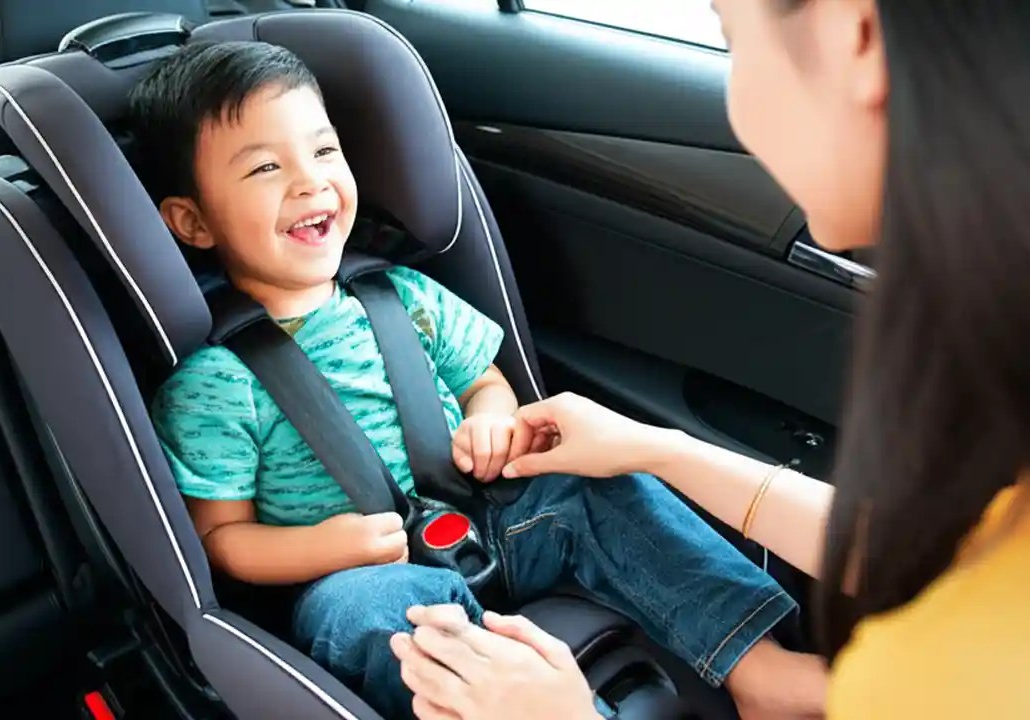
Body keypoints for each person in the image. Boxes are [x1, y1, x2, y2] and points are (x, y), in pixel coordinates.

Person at [390, 0, 1030, 718]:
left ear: (854, 33)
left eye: (732, 42)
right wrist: (661, 451)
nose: (737, 104)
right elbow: (965, 545)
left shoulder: (930, 675)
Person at [127, 41, 827, 720]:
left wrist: (491, 418)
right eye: (264, 170)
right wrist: (327, 547)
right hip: (361, 572)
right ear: (192, 222)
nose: (310, 181)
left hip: (494, 512)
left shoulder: (403, 294)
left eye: (323, 150)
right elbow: (223, 541)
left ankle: (759, 669)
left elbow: (485, 384)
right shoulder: (212, 384)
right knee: (368, 621)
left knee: (610, 489)